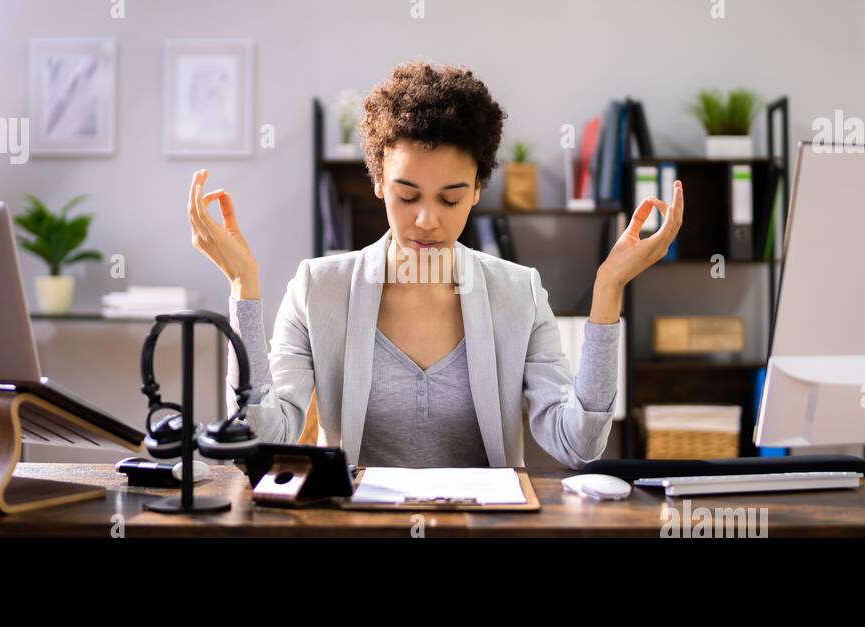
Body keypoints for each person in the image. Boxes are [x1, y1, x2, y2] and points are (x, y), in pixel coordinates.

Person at [187, 60, 684, 468]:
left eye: (450, 200)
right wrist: (243, 286)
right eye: (407, 195)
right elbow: (260, 432)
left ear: (477, 192)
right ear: (379, 181)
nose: (426, 221)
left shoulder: (518, 293)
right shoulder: (319, 288)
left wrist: (608, 291)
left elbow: (577, 444)